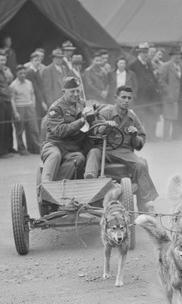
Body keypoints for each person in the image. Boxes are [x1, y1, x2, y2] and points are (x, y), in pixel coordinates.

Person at [83, 84, 159, 212]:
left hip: (123, 151)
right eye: (123, 97)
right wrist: (106, 126)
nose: (126, 101)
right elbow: (95, 131)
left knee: (141, 163)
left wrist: (134, 135)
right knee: (93, 152)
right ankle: (89, 179)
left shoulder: (132, 117)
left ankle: (146, 203)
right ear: (115, 98)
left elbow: (141, 141)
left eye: (129, 98)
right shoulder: (105, 113)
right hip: (105, 149)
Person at [40, 76, 89, 182]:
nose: (75, 94)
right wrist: (81, 121)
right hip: (54, 144)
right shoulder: (56, 108)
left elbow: (97, 108)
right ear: (64, 91)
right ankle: (45, 186)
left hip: (72, 148)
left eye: (77, 91)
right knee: (55, 155)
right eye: (72, 91)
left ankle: (57, 185)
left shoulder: (82, 104)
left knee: (79, 158)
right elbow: (60, 130)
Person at [128, 42, 161, 141]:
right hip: (140, 96)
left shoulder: (149, 63)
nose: (145, 54)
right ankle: (140, 138)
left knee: (152, 116)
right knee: (140, 117)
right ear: (139, 53)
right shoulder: (133, 64)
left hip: (151, 96)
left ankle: (151, 136)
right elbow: (130, 81)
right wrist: (133, 94)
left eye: (146, 52)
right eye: (143, 52)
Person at [10, 64, 41, 154]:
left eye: (24, 73)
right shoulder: (13, 85)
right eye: (20, 73)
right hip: (19, 108)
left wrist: (33, 105)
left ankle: (36, 148)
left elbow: (33, 95)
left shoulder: (29, 83)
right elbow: (12, 100)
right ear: (16, 73)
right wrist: (15, 112)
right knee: (20, 131)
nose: (23, 75)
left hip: (30, 107)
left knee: (34, 129)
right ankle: (22, 149)